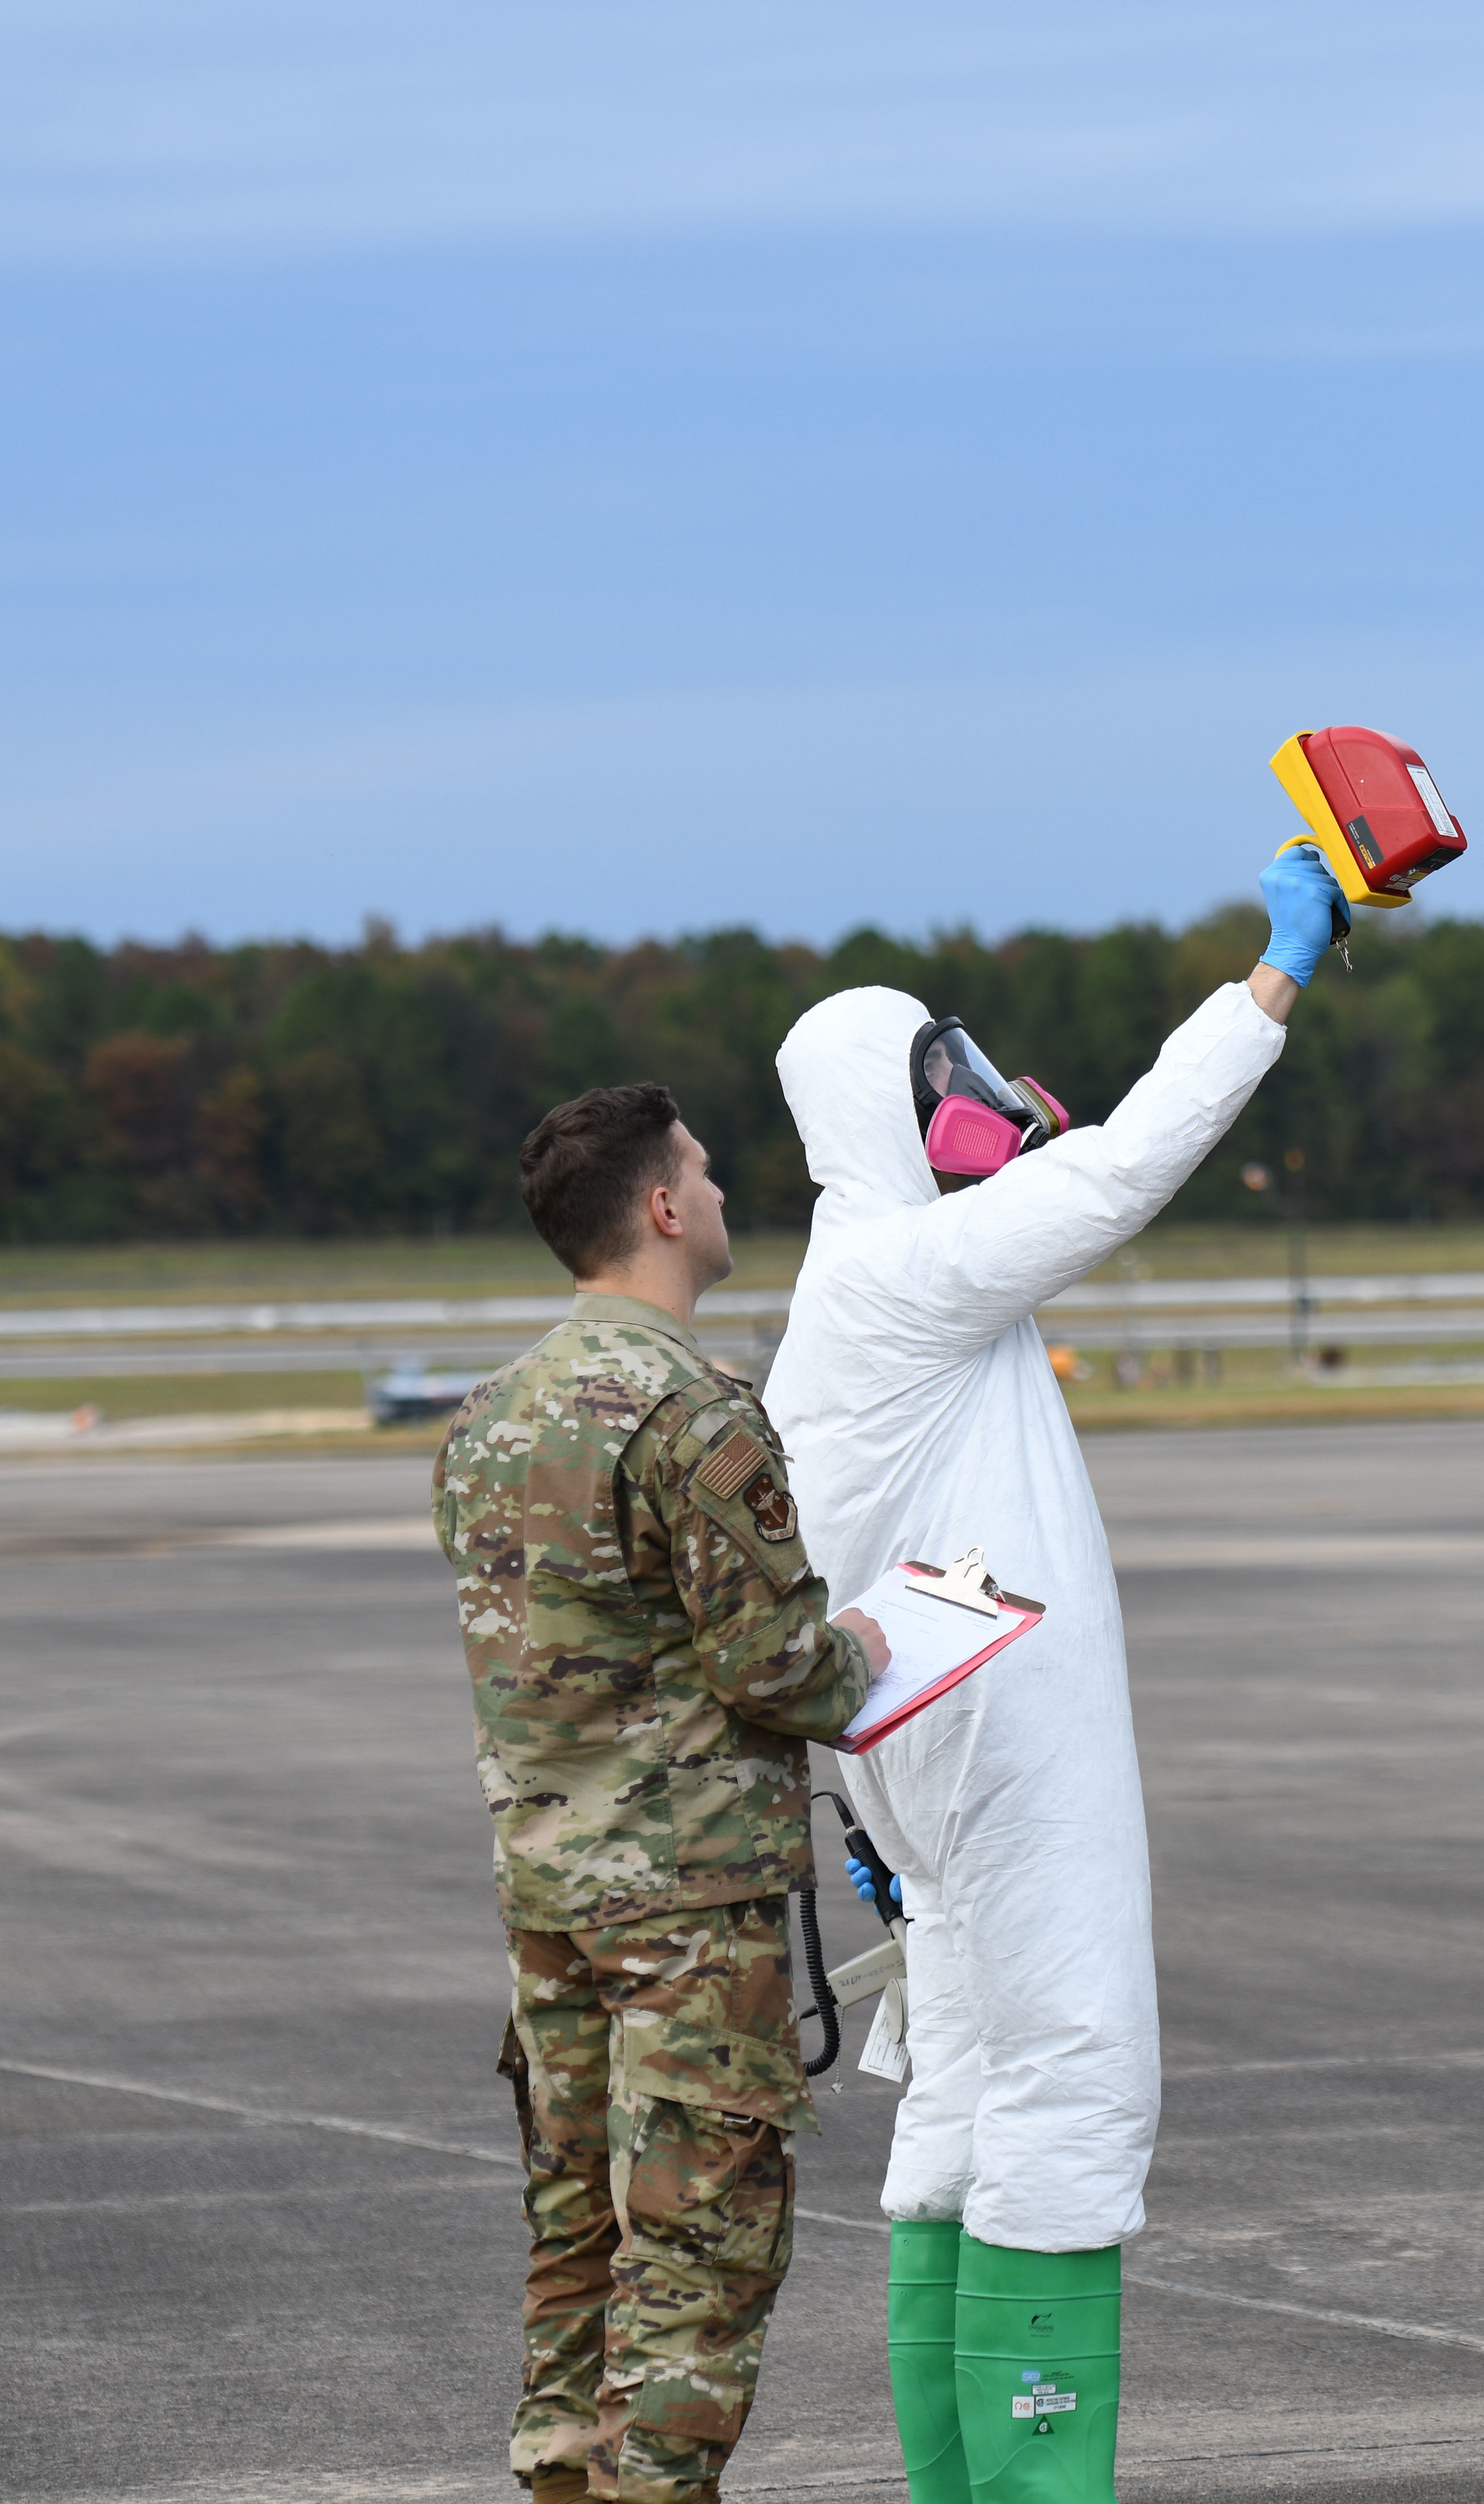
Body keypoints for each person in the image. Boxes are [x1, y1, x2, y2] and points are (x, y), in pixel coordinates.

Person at [770, 842, 1351, 2503]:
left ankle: (963, 2488)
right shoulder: (902, 1268)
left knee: (963, 2094)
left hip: (929, 1765)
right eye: (933, 1067)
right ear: (877, 1111)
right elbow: (1113, 1171)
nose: (969, 1087)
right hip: (997, 1748)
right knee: (1074, 2073)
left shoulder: (871, 1284)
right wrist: (1271, 982)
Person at [434, 1082, 895, 2504]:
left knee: (577, 2231)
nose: (719, 1188)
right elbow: (786, 1674)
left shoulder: (487, 1420)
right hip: (690, 1914)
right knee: (699, 2250)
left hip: (552, 1903)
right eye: (701, 1168)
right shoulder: (694, 1416)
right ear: (659, 1209)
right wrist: (868, 1642)